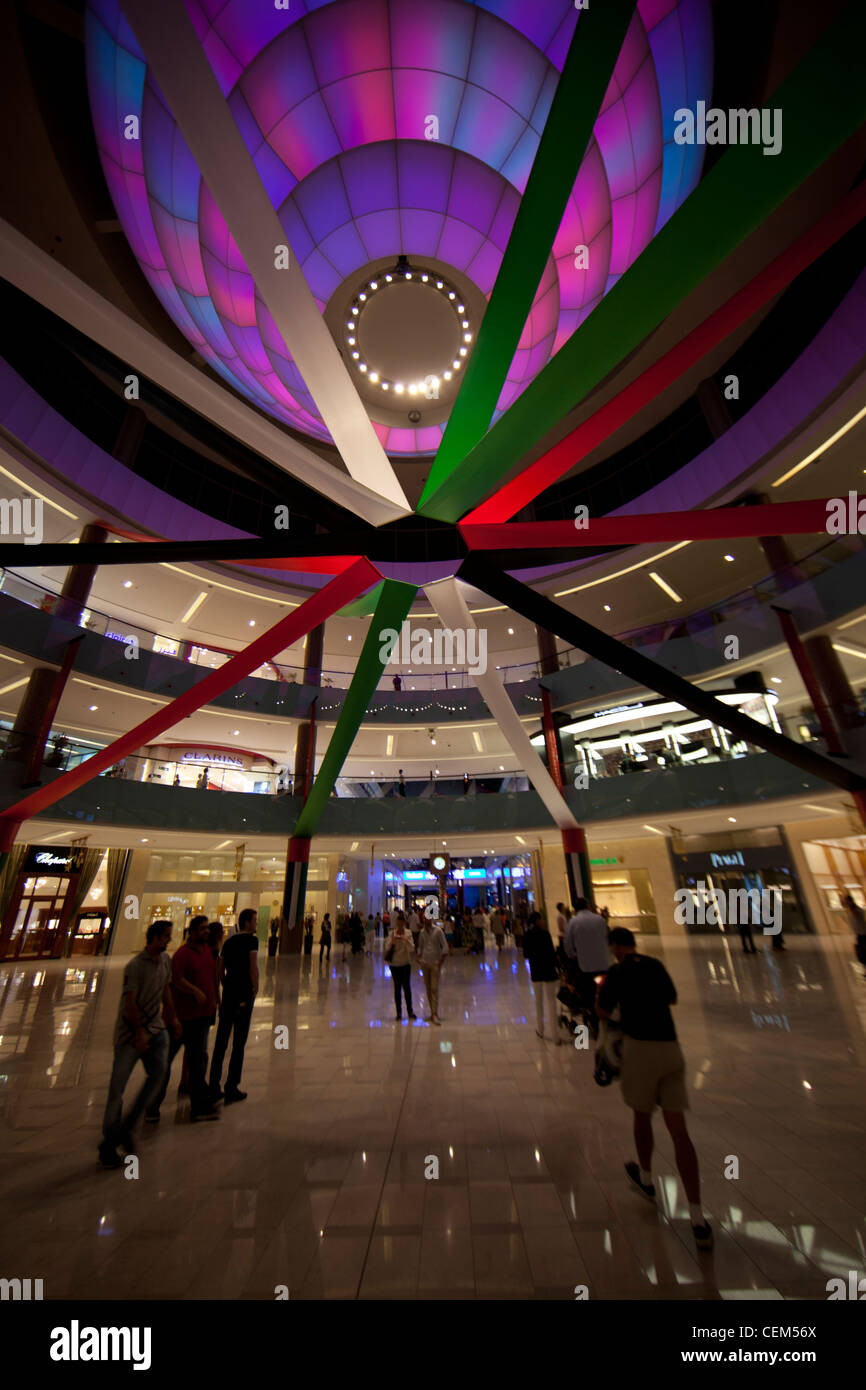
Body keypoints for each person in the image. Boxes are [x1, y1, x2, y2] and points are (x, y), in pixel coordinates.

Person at [597, 928, 712, 1252]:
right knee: (679, 1130)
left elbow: (603, 1011)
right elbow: (672, 998)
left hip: (641, 1049)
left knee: (642, 1115)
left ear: (616, 947)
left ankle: (646, 1178)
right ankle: (697, 1217)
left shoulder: (617, 973)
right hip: (671, 1050)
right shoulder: (656, 965)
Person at [99, 920, 180, 1167]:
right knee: (117, 1089)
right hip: (130, 1035)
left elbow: (166, 989)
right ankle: (109, 1143)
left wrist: (172, 1017)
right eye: (166, 936)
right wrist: (138, 1033)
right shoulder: (134, 966)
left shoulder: (166, 961)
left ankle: (127, 1127)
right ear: (154, 938)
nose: (169, 940)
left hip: (156, 1029)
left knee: (158, 1075)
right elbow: (130, 1003)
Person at [169, 914, 220, 1122]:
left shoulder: (207, 951)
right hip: (184, 1017)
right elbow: (174, 979)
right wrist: (195, 992)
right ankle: (152, 1103)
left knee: (199, 1059)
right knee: (166, 1061)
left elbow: (211, 976)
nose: (206, 932)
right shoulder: (182, 954)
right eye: (202, 929)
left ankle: (199, 1103)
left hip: (203, 1014)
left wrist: (215, 997)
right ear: (192, 932)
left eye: (208, 928)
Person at [209, 906, 259, 1106]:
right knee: (239, 1042)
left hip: (229, 994)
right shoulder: (251, 941)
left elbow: (219, 970)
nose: (256, 924)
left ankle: (214, 1085)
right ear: (247, 922)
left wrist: (225, 987)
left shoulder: (228, 942)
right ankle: (231, 1086)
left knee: (221, 1041)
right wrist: (254, 987)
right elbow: (252, 965)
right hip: (244, 994)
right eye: (255, 920)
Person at [564, 897, 610, 1027]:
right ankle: (605, 1020)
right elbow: (607, 936)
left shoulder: (573, 922)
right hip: (603, 963)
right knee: (603, 992)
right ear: (588, 906)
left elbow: (567, 944)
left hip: (585, 965)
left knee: (588, 994)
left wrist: (572, 955)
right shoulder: (600, 919)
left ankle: (594, 1021)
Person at [523, 911, 562, 1043]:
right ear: (538, 920)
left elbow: (525, 954)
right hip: (548, 970)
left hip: (536, 970)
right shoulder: (545, 934)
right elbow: (551, 953)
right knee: (551, 1002)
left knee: (538, 1001)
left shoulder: (527, 935)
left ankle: (541, 1029)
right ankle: (555, 1035)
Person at [417, 914, 449, 1025]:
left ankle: (435, 1013)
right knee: (428, 989)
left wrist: (440, 962)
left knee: (434, 988)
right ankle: (432, 1012)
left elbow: (445, 947)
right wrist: (419, 957)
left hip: (435, 964)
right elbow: (420, 947)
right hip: (425, 964)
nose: (426, 919)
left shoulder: (438, 931)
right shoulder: (422, 933)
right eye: (425, 918)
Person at [384, 917, 416, 1022]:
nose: (400, 925)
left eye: (402, 923)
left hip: (405, 963)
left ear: (404, 923)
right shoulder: (392, 933)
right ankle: (399, 1012)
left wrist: (405, 939)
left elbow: (412, 948)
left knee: (407, 987)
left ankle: (410, 1011)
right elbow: (387, 948)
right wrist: (393, 941)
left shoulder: (408, 933)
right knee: (397, 988)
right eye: (398, 923)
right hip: (394, 964)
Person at [843, 893, 866, 974]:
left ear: (850, 901)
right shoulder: (851, 912)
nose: (844, 903)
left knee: (863, 953)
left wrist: (850, 906)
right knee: (862, 955)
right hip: (859, 935)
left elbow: (856, 914)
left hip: (863, 935)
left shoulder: (857, 911)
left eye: (846, 901)